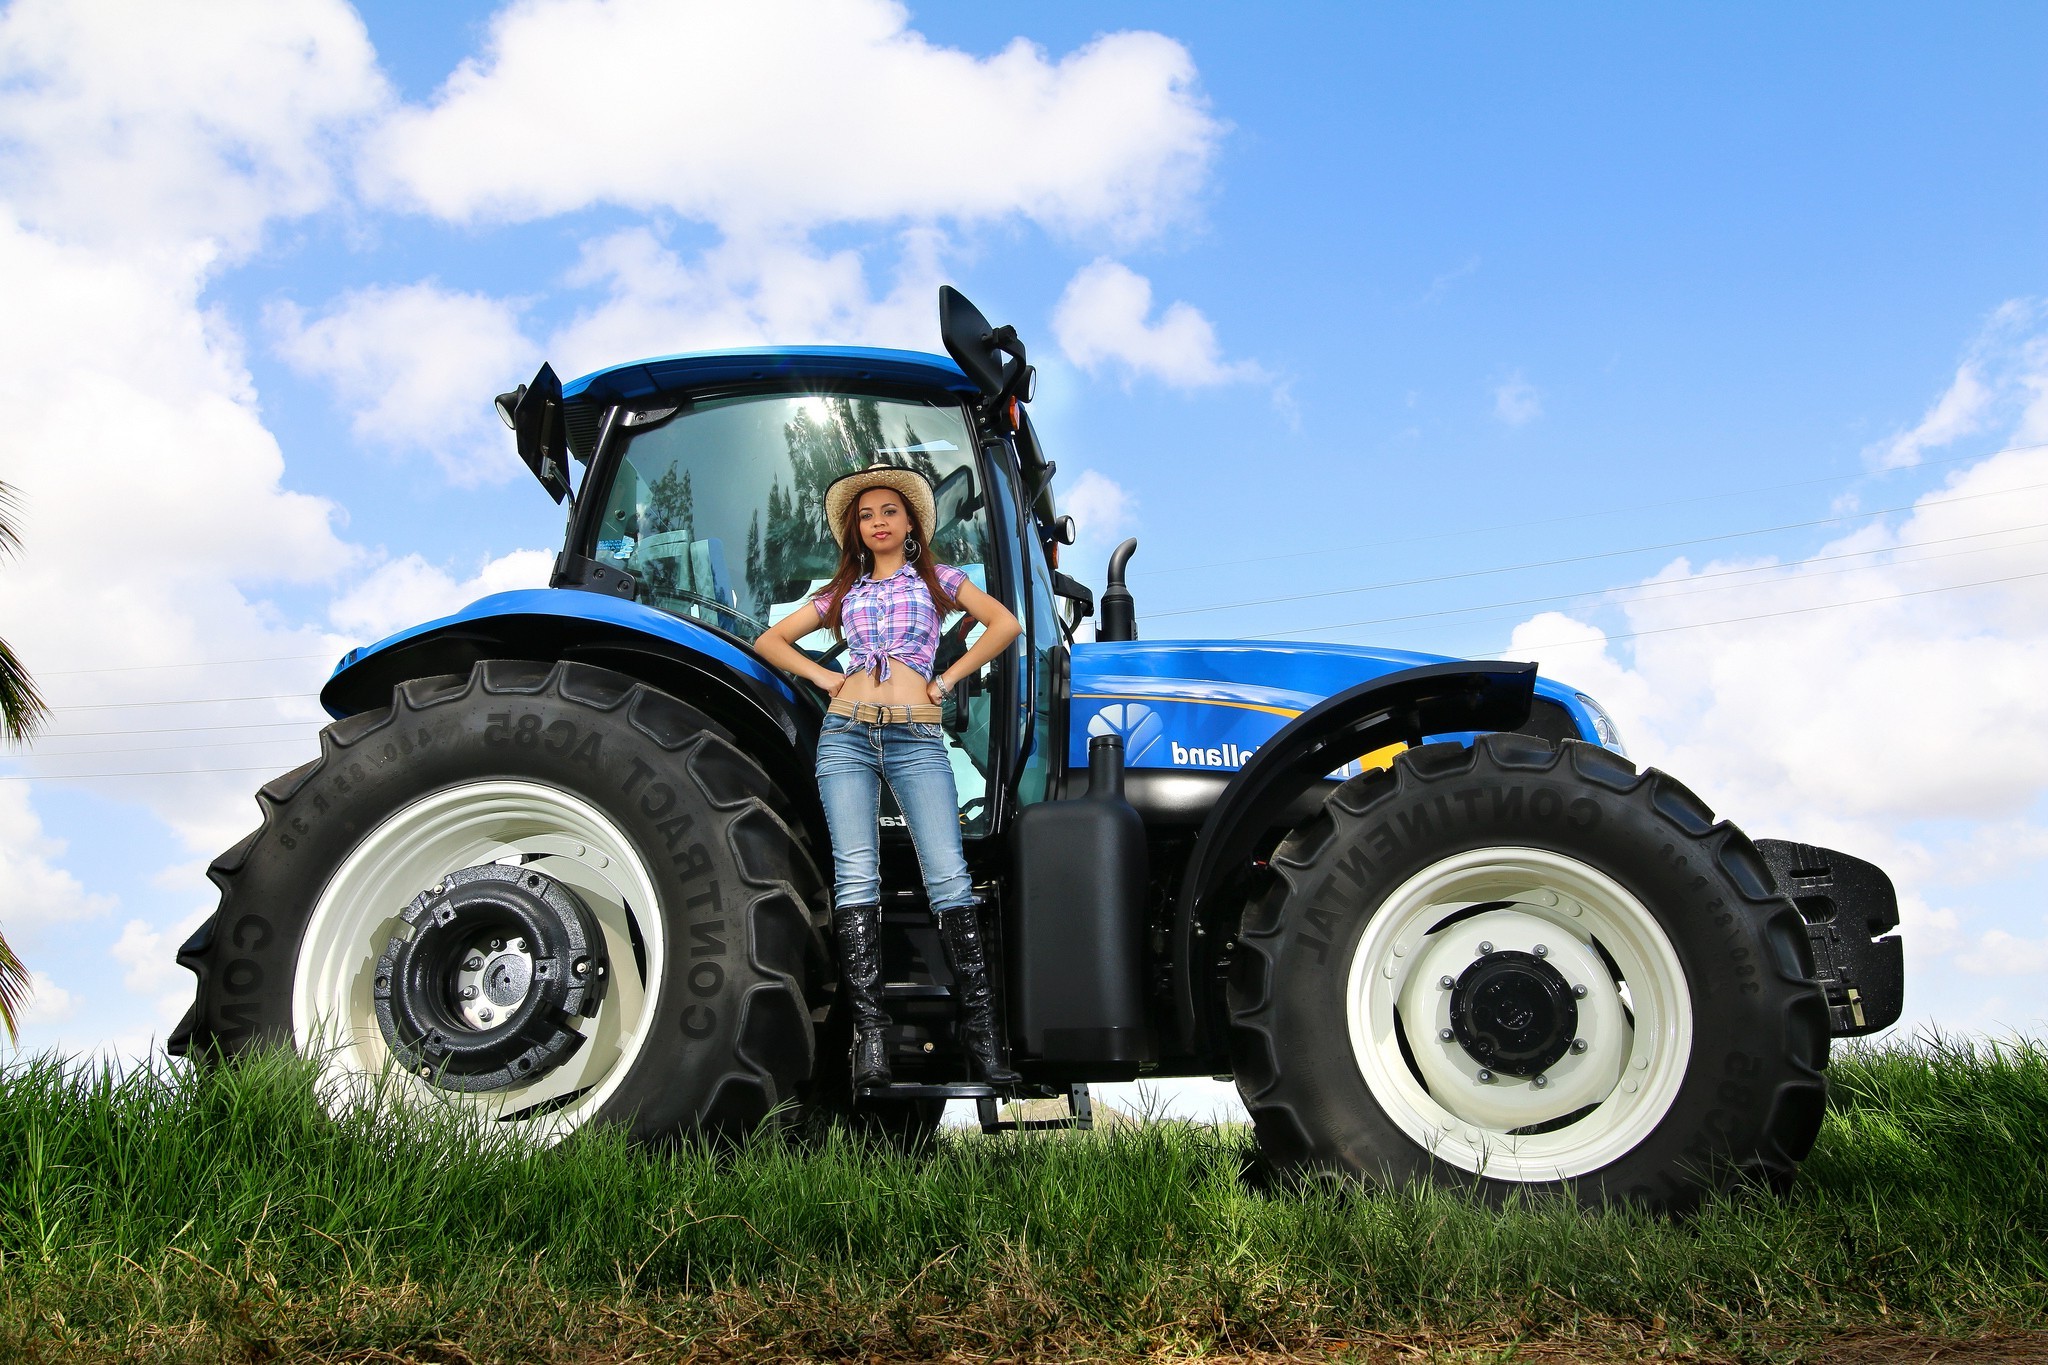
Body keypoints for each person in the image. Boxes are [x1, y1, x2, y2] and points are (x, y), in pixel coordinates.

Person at [754, 463, 1024, 1091]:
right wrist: (826, 679)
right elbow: (771, 642)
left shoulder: (938, 581)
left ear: (910, 525)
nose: (877, 522)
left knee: (948, 876)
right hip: (846, 735)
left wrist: (948, 679)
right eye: (866, 515)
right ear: (856, 530)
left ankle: (983, 1041)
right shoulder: (841, 592)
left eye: (888, 512)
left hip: (916, 735)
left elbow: (1005, 624)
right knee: (856, 873)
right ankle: (869, 1042)